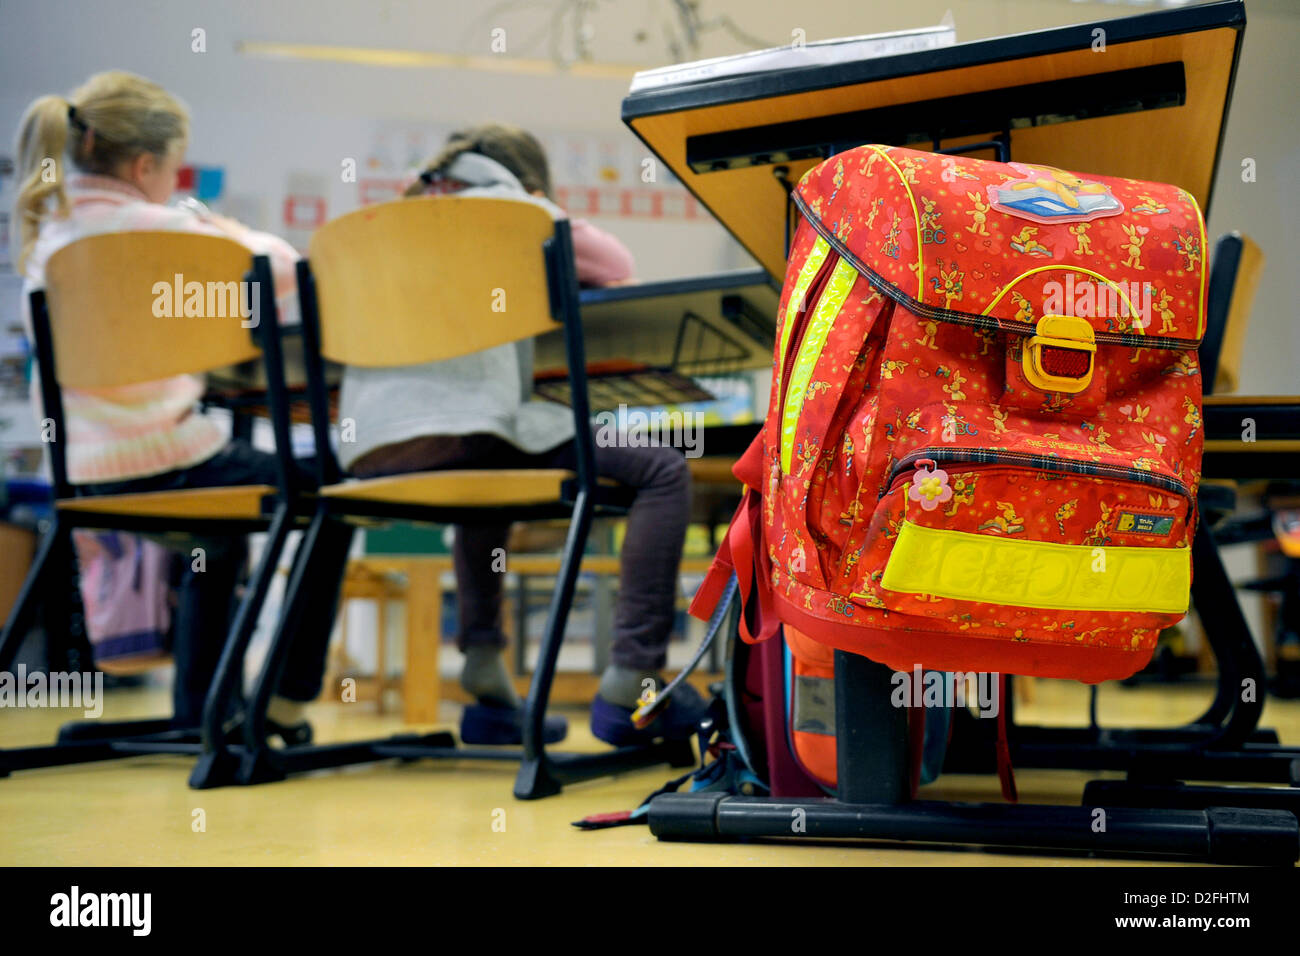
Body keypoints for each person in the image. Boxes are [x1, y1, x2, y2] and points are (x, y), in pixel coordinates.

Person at [338, 124, 705, 746]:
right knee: (661, 470)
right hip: (468, 426)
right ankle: (633, 678)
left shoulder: (375, 225)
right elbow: (617, 266)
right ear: (529, 181)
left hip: (367, 447)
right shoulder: (516, 210)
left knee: (491, 473)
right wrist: (538, 211)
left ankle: (484, 671)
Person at [12, 70, 352, 735]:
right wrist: (209, 217)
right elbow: (286, 268)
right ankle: (284, 697)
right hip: (167, 461)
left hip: (79, 475)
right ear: (145, 166)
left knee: (217, 539)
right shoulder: (168, 231)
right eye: (174, 171)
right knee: (331, 493)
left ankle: (204, 712)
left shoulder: (46, 238)